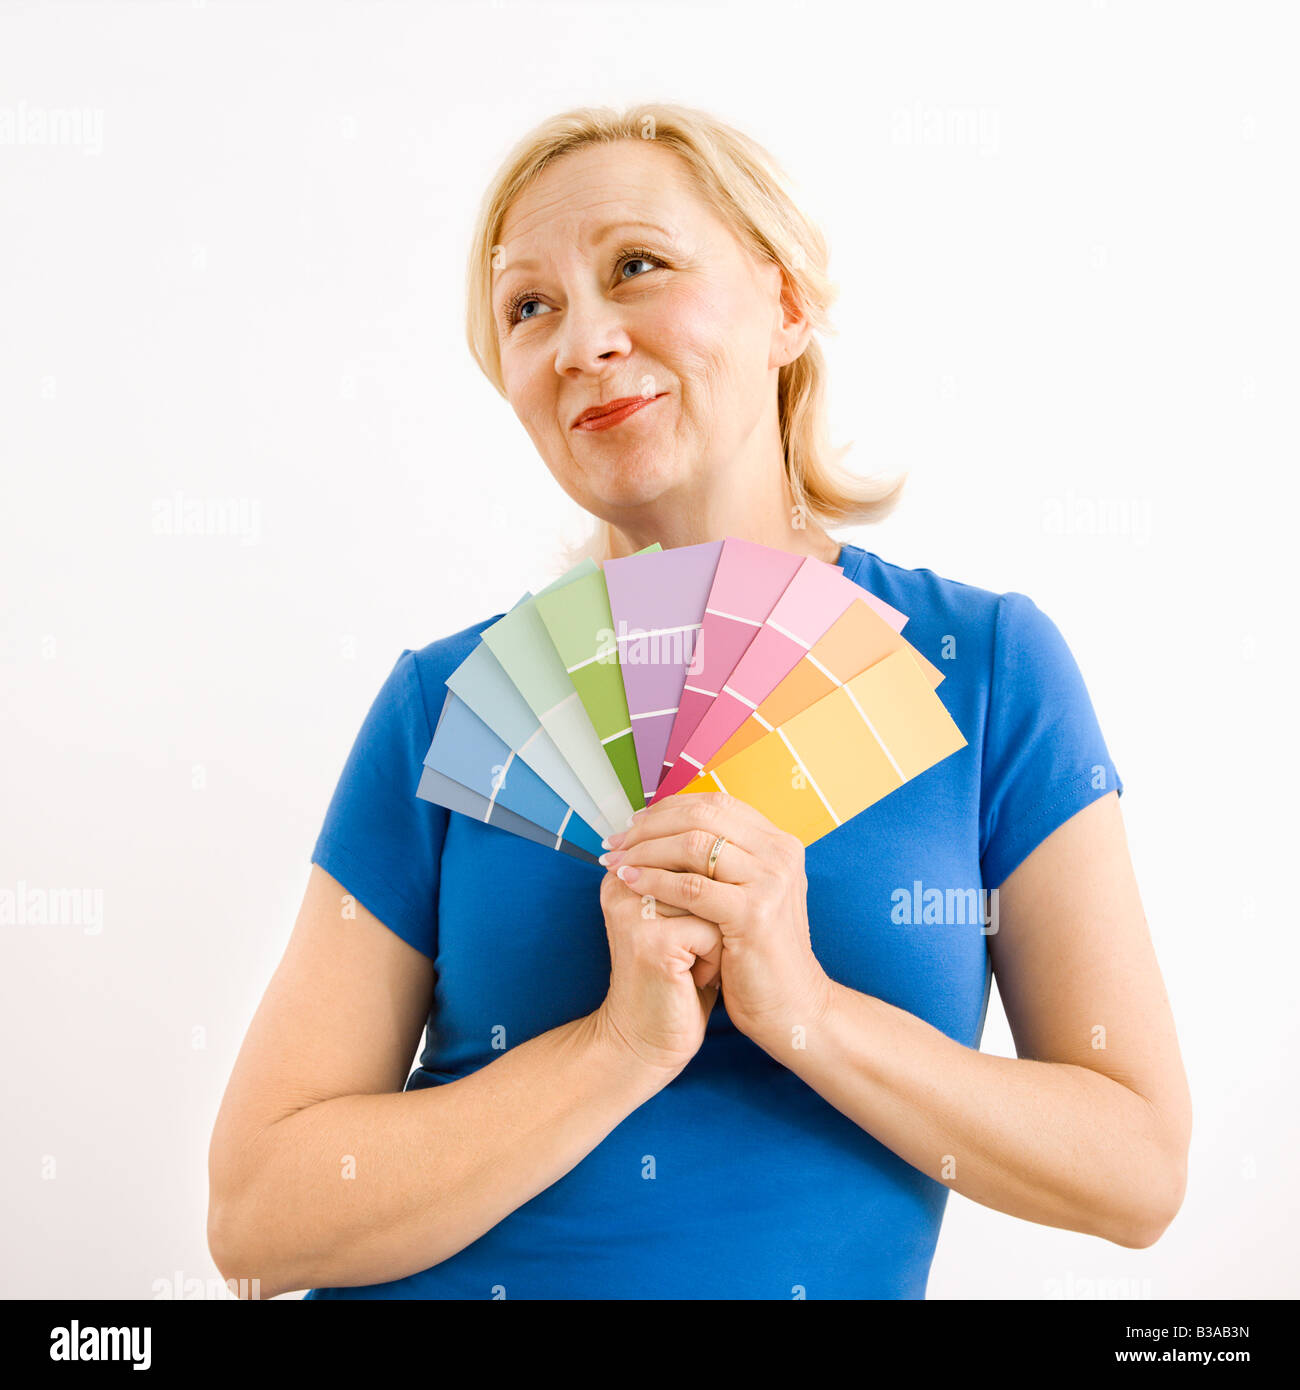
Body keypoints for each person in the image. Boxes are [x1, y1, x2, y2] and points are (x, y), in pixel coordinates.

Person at [207, 103, 1191, 1300]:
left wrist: (808, 1012)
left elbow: (1134, 1170)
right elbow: (257, 1213)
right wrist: (617, 1047)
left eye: (637, 267)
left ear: (785, 308)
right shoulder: (449, 702)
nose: (582, 343)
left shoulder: (983, 665)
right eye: (530, 307)